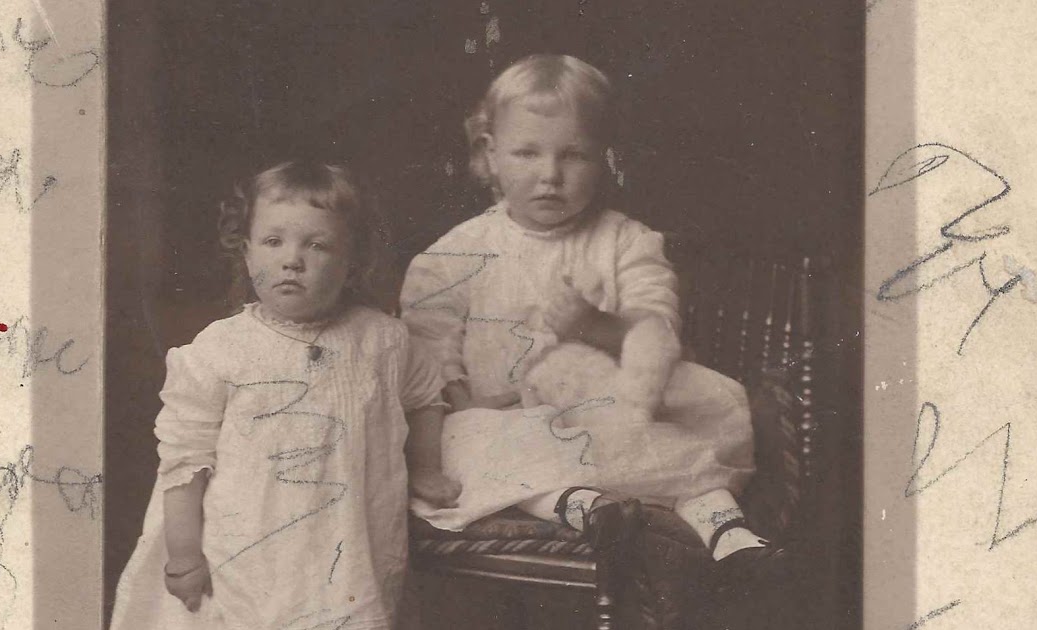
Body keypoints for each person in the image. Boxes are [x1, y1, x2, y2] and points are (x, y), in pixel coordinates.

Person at [399, 54, 787, 600]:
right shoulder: (451, 257)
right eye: (527, 152)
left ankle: (725, 527)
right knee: (467, 440)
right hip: (504, 423)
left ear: (604, 159)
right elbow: (427, 362)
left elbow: (657, 331)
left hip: (611, 416)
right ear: (489, 156)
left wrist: (593, 325)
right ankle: (583, 506)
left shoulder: (628, 242)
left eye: (573, 154)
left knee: (699, 409)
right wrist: (465, 406)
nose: (550, 174)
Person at [111, 161, 461, 629]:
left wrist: (426, 467)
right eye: (274, 242)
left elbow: (425, 395)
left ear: (352, 260)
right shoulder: (220, 350)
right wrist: (184, 556)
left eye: (316, 245)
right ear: (248, 252)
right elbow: (183, 461)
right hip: (249, 551)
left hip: (351, 551)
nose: (292, 259)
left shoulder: (383, 341)